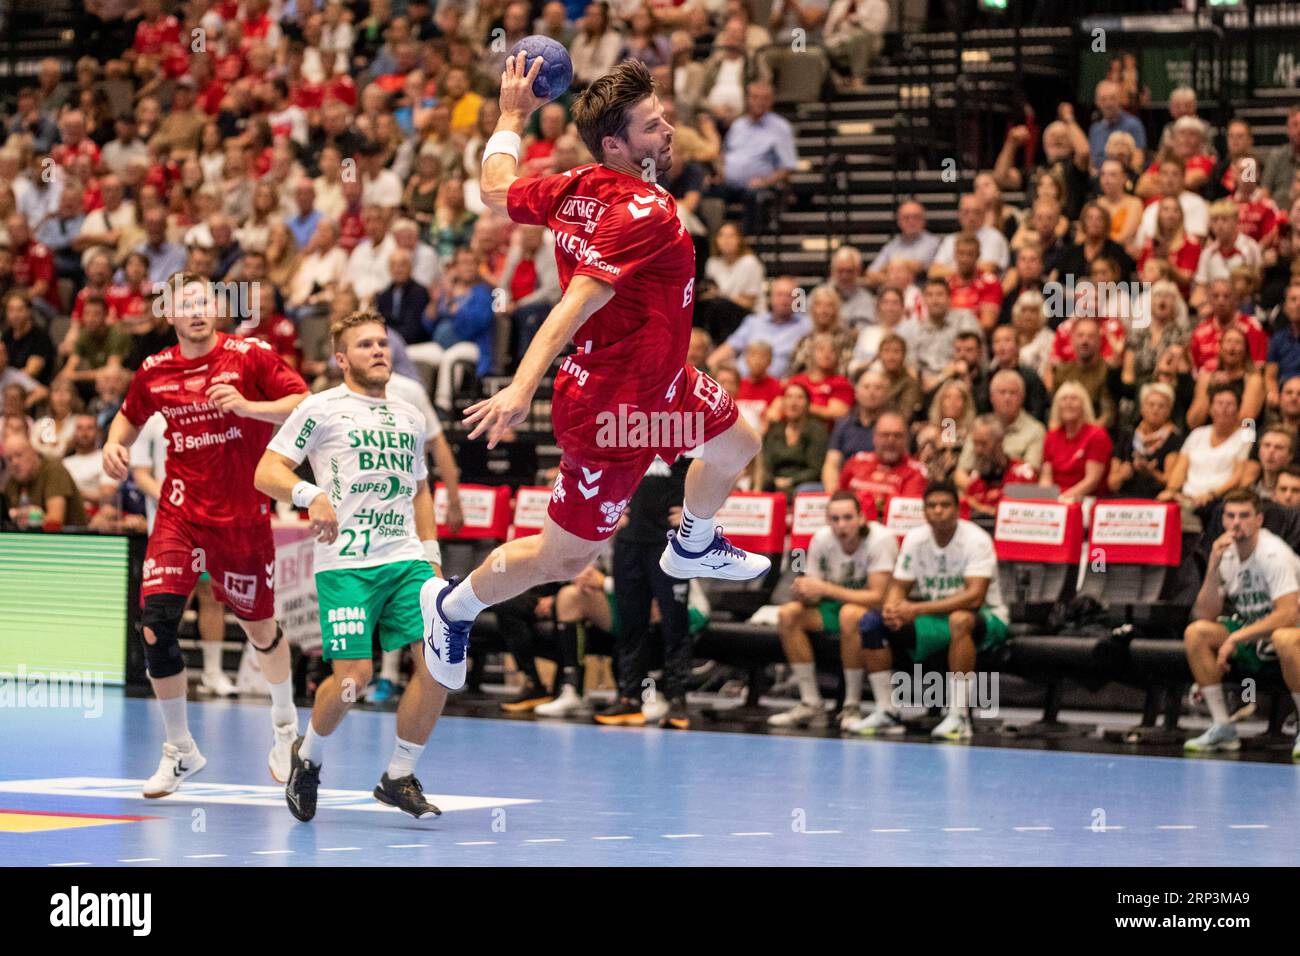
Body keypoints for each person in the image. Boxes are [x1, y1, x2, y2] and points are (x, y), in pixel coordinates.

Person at [426, 57, 771, 692]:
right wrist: (521, 386)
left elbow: (495, 187)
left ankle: (693, 540)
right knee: (563, 558)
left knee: (739, 442)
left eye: (663, 118)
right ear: (616, 144)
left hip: (664, 382)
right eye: (651, 126)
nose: (667, 132)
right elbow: (577, 300)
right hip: (610, 410)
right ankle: (453, 605)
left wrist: (510, 114)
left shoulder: (576, 185)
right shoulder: (645, 213)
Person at [101, 272, 309, 798]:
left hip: (241, 517)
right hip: (179, 513)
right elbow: (126, 422)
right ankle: (180, 751)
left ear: (217, 308)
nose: (195, 310)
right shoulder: (154, 371)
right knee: (155, 624)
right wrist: (112, 446)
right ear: (168, 315)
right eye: (183, 304)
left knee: (261, 630)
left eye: (204, 301)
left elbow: (306, 405)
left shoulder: (250, 356)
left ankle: (285, 728)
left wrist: (248, 407)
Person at [254, 311, 447, 821]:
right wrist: (309, 494)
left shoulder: (410, 414)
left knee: (439, 664)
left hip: (406, 559)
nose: (379, 351)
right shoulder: (320, 409)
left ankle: (399, 776)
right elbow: (266, 471)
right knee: (352, 680)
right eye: (365, 345)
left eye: (382, 343)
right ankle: (308, 757)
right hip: (347, 564)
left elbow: (421, 489)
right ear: (342, 359)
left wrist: (431, 557)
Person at [849, 480, 1009, 740]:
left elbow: (974, 597)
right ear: (924, 511)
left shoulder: (976, 540)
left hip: (988, 617)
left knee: (959, 619)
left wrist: (918, 608)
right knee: (872, 622)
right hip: (934, 617)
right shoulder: (915, 538)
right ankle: (887, 711)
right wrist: (892, 607)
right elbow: (899, 586)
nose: (937, 511)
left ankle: (958, 717)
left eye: (945, 505)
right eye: (931, 506)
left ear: (958, 510)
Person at [1182, 489, 1300, 756]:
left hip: (1292, 630)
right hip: (1256, 632)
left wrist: (1235, 638)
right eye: (1230, 516)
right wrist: (1212, 567)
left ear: (1258, 520)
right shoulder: (1226, 554)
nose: (1236, 522)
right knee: (1197, 633)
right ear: (1223, 520)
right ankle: (1223, 727)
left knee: (1284, 637)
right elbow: (1204, 615)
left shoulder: (1273, 554)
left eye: (1244, 516)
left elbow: (1288, 615)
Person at [767, 491, 897, 730]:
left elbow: (878, 597)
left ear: (861, 518)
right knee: (788, 614)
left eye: (847, 518)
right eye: (835, 519)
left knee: (849, 614)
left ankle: (852, 705)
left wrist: (824, 588)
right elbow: (814, 591)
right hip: (834, 606)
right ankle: (811, 703)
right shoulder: (821, 539)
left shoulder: (881, 539)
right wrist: (803, 592)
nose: (841, 525)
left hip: (875, 611)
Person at [4, 434, 86, 528]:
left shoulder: (54, 470)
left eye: (19, 455)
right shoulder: (12, 481)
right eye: (9, 459)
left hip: (69, 539)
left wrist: (30, 516)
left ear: (34, 452)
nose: (14, 462)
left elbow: (55, 521)